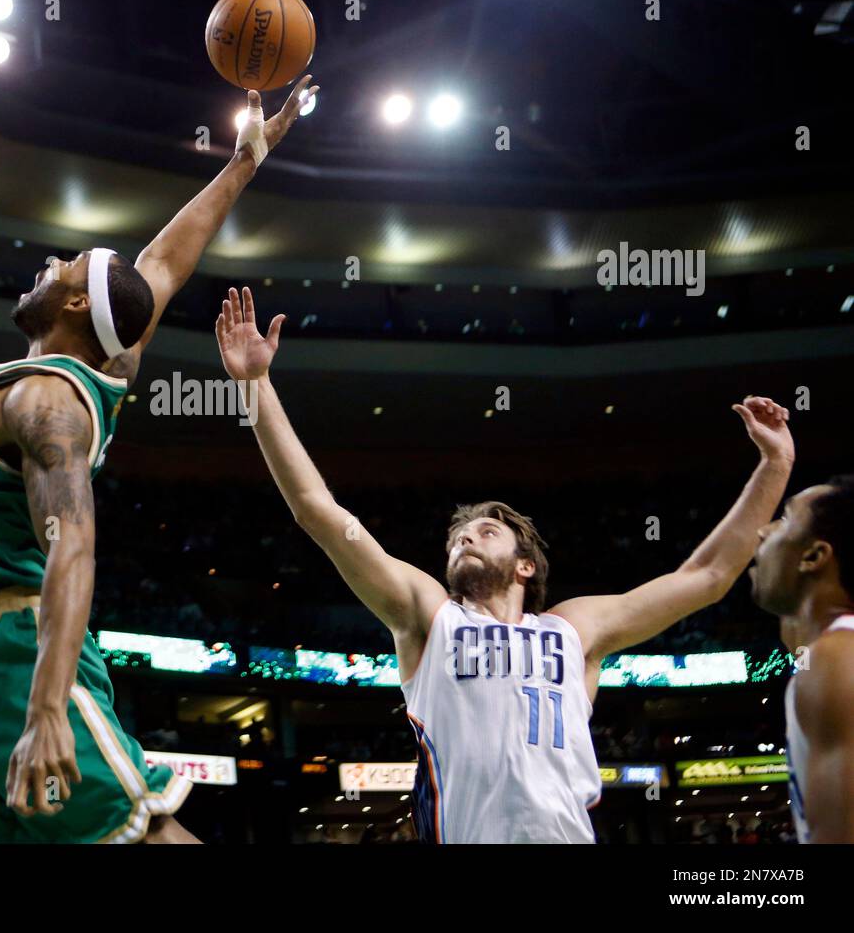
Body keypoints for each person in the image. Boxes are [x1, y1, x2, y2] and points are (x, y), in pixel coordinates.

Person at [0, 80, 319, 844]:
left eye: (62, 265)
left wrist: (49, 704)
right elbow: (165, 263)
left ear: (79, 304)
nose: (46, 264)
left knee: (142, 836)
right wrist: (249, 156)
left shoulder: (49, 402)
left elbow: (74, 544)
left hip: (17, 654)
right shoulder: (98, 369)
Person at [215, 285, 794, 843]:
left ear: (524, 568)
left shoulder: (575, 630)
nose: (465, 539)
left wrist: (773, 466)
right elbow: (318, 511)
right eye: (457, 537)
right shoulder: (428, 616)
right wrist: (257, 386)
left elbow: (707, 577)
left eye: (485, 532)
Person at [750, 475, 854, 843]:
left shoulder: (836, 659)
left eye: (785, 518)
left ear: (813, 556)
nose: (762, 532)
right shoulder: (820, 654)